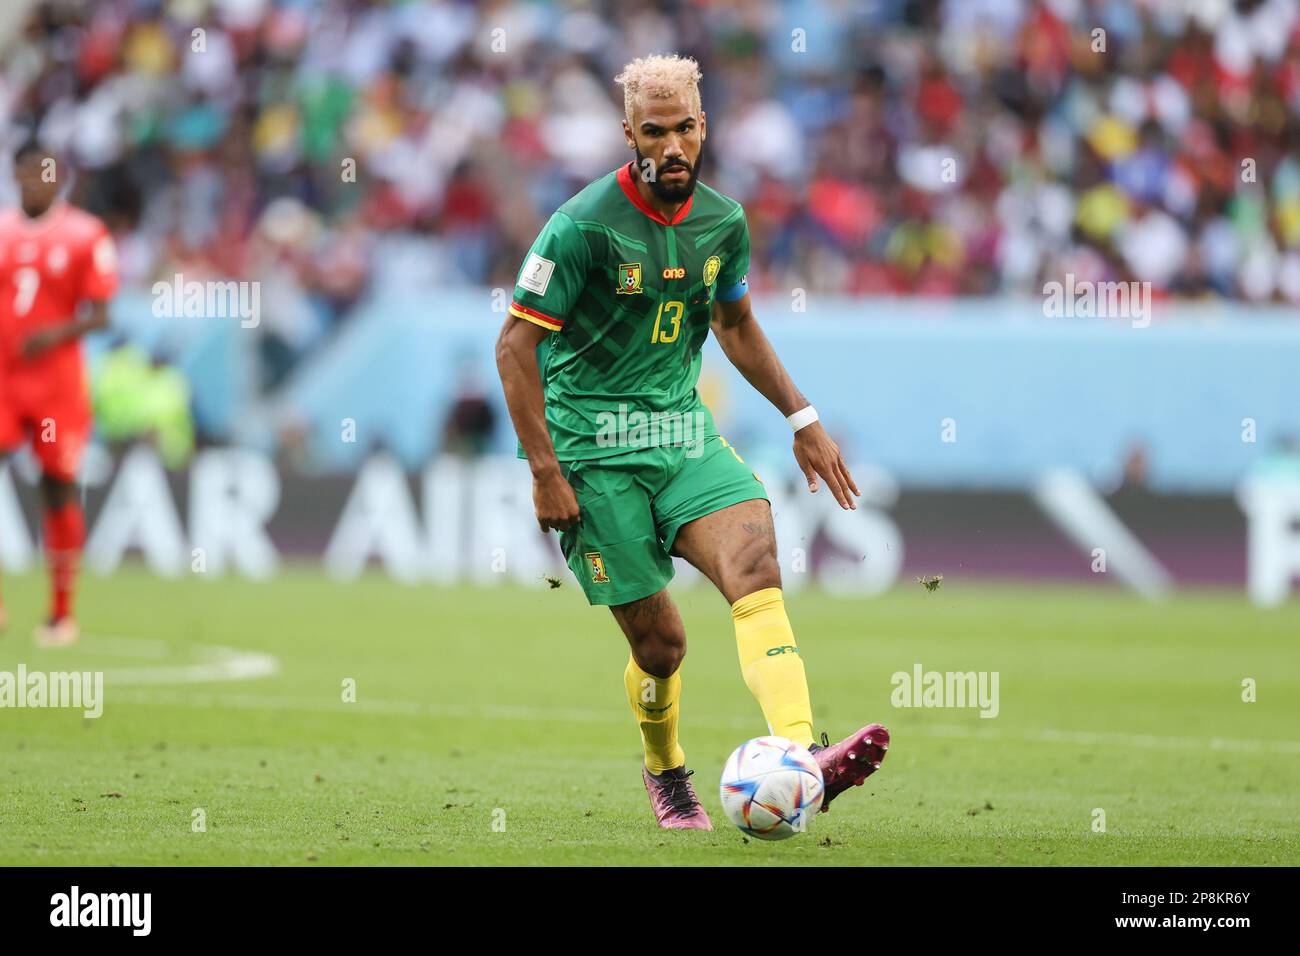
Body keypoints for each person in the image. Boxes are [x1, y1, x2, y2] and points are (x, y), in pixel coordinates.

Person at [495, 55, 888, 829]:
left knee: (755, 565)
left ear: (703, 127)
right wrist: (544, 471)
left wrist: (802, 419)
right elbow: (514, 347)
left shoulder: (723, 222)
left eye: (684, 130)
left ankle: (802, 760)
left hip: (680, 437)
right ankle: (667, 772)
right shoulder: (580, 226)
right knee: (663, 646)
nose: (671, 147)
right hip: (594, 452)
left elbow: (733, 323)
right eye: (654, 133)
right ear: (629, 134)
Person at [0, 140, 117, 646]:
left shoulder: (85, 234)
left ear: (59, 178)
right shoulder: (1, 230)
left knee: (56, 486)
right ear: (16, 173)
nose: (35, 181)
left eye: (44, 173)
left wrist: (53, 333)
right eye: (26, 172)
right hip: (4, 379)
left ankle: (61, 612)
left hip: (56, 385)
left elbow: (101, 312)